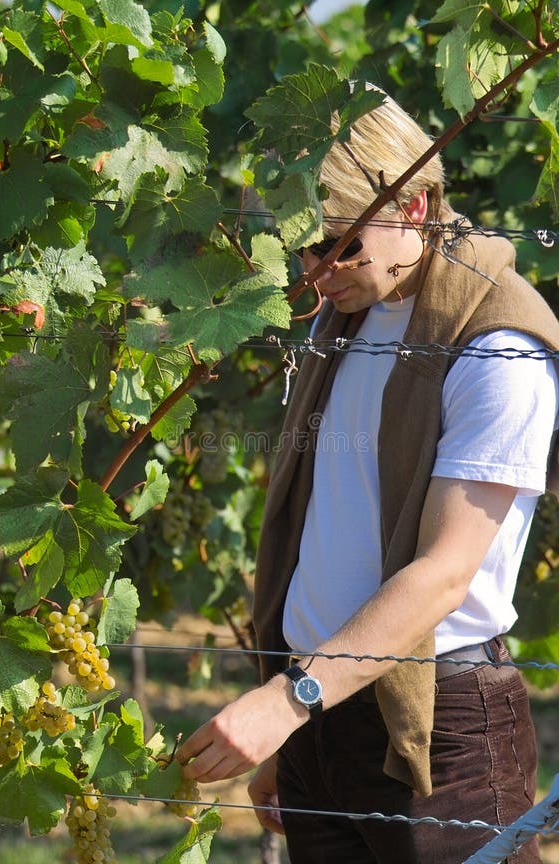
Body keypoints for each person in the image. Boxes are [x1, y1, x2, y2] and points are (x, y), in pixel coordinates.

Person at [176, 86, 559, 863]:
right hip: (323, 716)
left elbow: (445, 573)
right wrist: (299, 725)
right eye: (302, 247)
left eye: (337, 243)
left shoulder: (496, 346)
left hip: (438, 733)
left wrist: (284, 705)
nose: (316, 270)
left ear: (414, 207)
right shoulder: (342, 323)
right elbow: (327, 531)